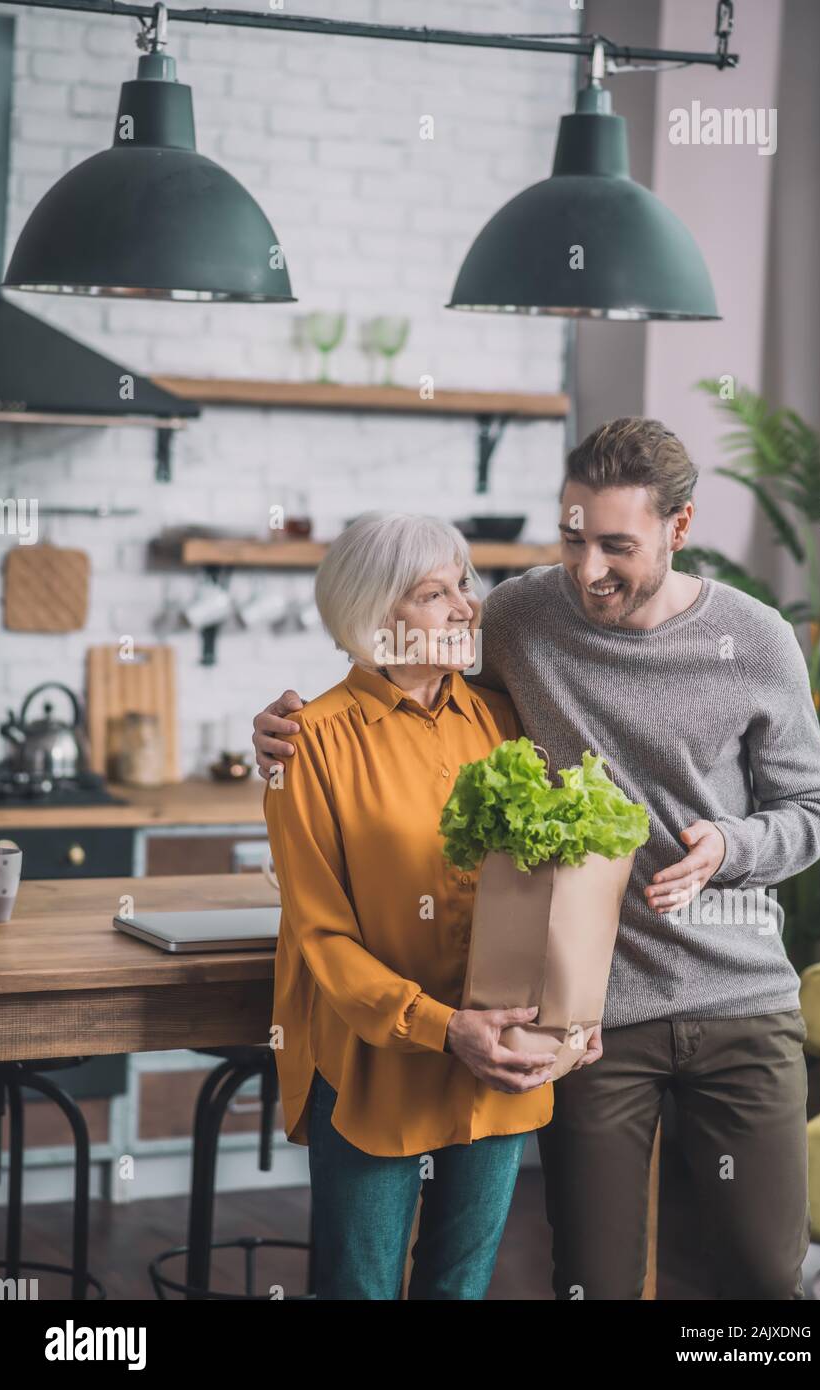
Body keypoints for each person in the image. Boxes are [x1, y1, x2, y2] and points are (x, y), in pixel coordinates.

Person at [255, 418, 820, 1300]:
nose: (589, 570)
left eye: (617, 545)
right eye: (576, 539)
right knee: (527, 1283)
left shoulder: (732, 646)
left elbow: (812, 811)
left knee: (750, 1283)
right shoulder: (487, 638)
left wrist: (730, 849)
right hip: (493, 1037)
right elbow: (324, 922)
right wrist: (282, 734)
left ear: (678, 530)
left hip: (643, 1020)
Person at [263, 511, 560, 1301]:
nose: (467, 606)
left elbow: (548, 889)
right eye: (435, 593)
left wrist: (567, 1012)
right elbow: (323, 936)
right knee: (358, 1291)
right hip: (377, 1068)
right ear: (374, 616)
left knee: (458, 1291)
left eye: (465, 583)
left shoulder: (504, 721)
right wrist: (438, 1026)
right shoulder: (307, 743)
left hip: (495, 1059)